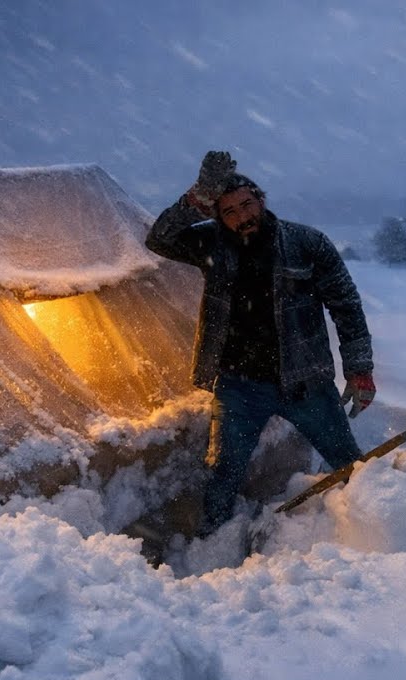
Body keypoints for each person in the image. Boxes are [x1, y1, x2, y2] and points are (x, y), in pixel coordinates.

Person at [145, 150, 376, 537]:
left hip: (306, 382)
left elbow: (346, 306)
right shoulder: (211, 242)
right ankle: (213, 541)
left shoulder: (307, 243)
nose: (242, 216)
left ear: (262, 200)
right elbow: (159, 239)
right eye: (229, 211)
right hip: (239, 386)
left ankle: (373, 528)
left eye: (247, 204)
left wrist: (360, 369)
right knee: (223, 471)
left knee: (349, 464)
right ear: (219, 216)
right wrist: (199, 196)